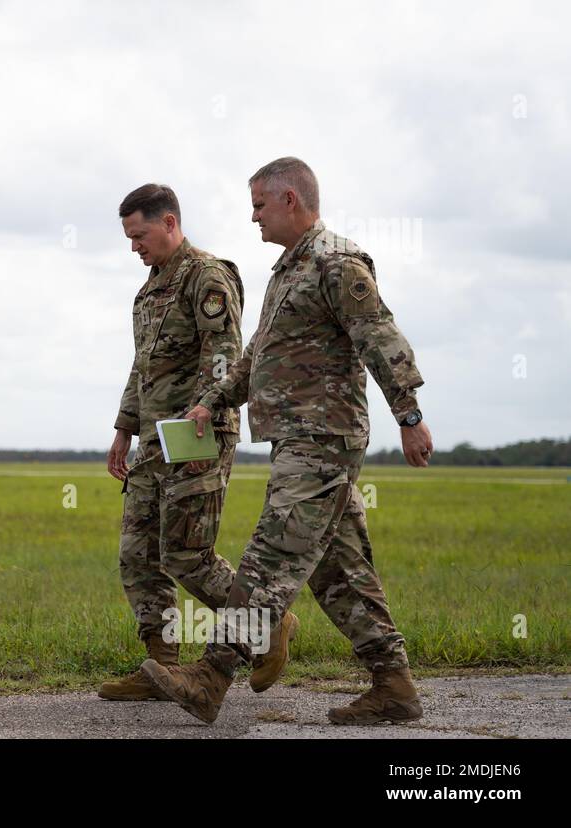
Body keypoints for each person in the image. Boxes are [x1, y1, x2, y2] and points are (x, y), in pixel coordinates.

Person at [142, 157, 432, 725]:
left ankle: (211, 676)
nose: (253, 218)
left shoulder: (335, 262)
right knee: (338, 569)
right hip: (298, 439)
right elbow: (260, 358)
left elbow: (379, 334)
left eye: (258, 205)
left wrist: (409, 411)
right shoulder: (288, 270)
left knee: (268, 559)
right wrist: (216, 399)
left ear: (290, 200)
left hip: (323, 438)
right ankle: (393, 686)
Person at [102, 183, 297, 702]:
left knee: (187, 554)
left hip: (197, 436)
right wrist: (124, 430)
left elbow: (226, 356)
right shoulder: (149, 290)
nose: (134, 247)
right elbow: (142, 367)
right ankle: (160, 667)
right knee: (138, 554)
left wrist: (204, 413)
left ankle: (266, 624)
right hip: (152, 440)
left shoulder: (206, 276)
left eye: (140, 235)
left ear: (169, 223)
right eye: (128, 238)